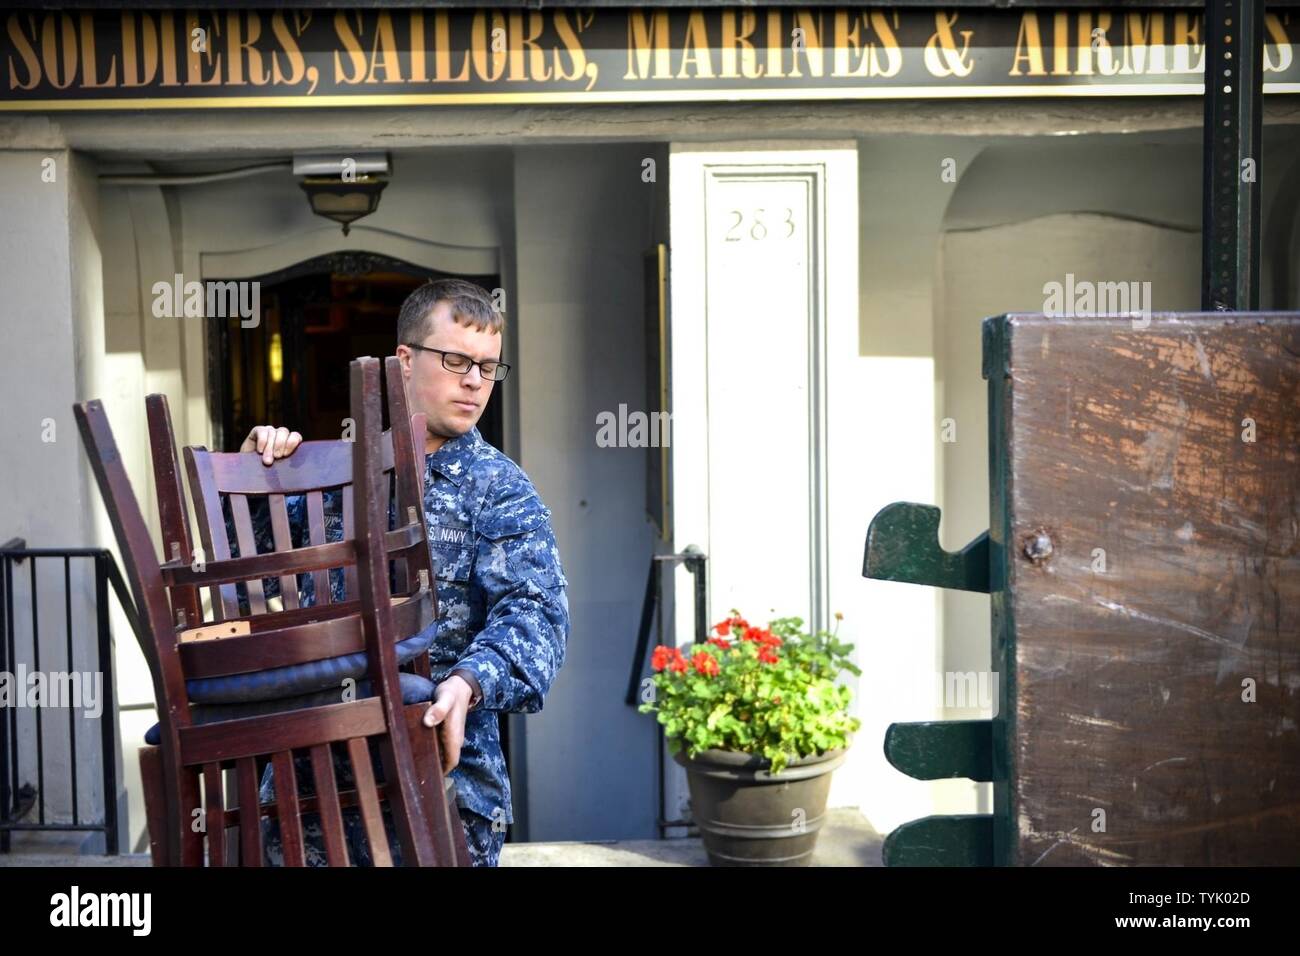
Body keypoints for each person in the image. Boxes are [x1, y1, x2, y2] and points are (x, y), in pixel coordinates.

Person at [243, 278, 569, 866]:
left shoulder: (500, 489)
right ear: (403, 360)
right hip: (313, 789)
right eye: (456, 360)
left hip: (444, 784)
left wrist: (467, 683)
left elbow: (538, 618)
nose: (474, 381)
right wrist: (258, 471)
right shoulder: (336, 473)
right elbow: (256, 576)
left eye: (488, 368)